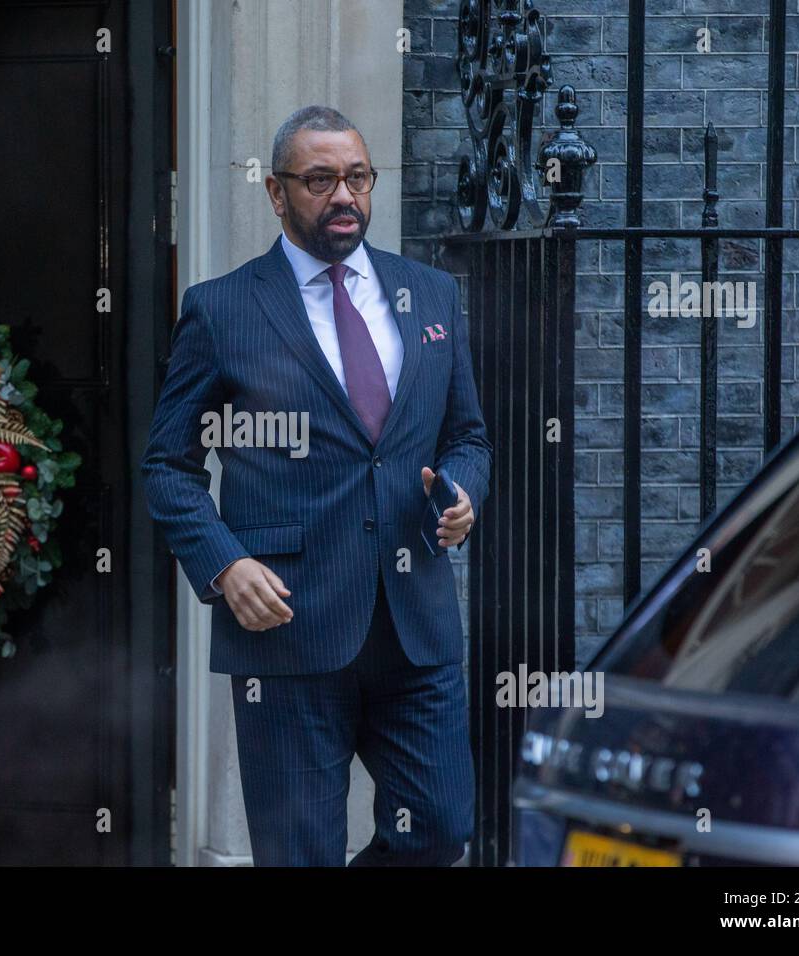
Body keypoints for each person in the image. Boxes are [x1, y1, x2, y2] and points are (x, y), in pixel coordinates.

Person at [141, 105, 492, 865]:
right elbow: (167, 468)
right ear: (276, 192)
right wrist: (225, 564)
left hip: (415, 629)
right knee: (299, 852)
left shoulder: (430, 296)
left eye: (358, 178)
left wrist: (462, 493)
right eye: (320, 179)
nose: (345, 196)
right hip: (287, 629)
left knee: (438, 829)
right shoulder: (221, 309)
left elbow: (466, 436)